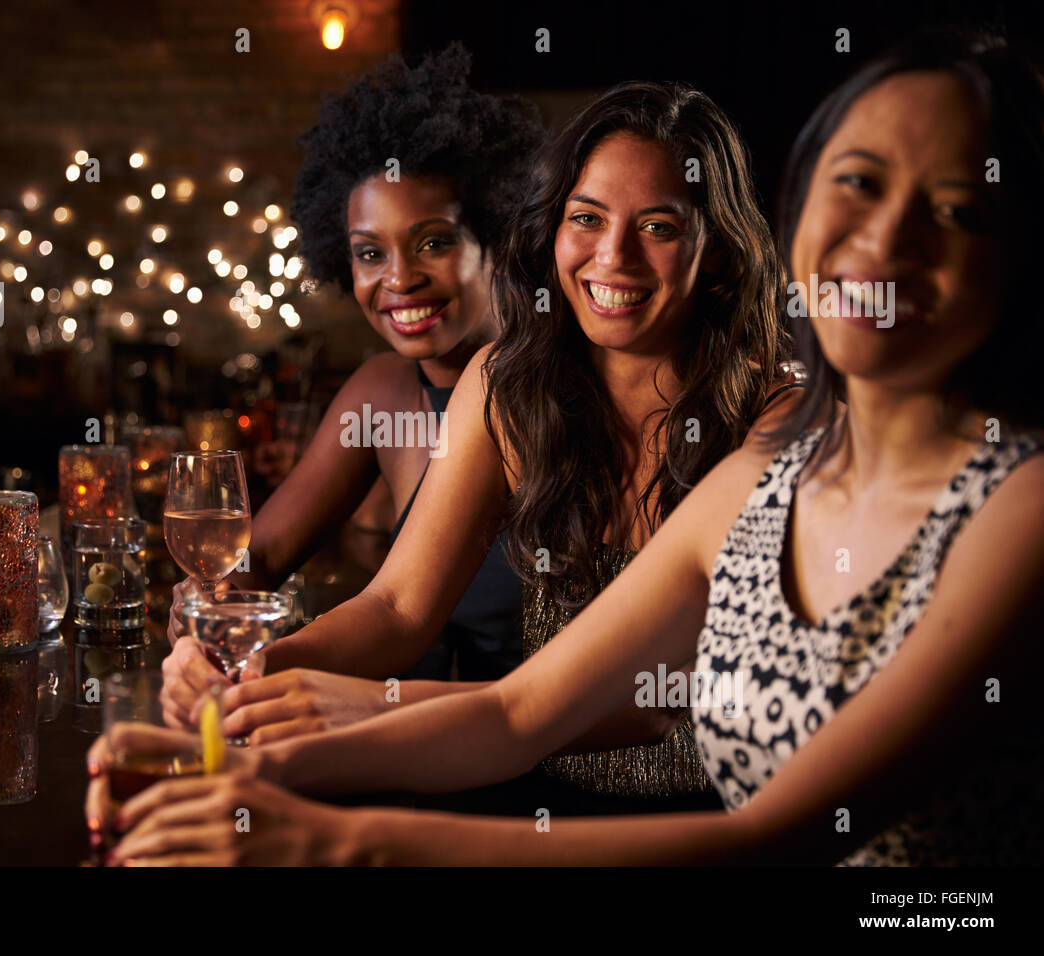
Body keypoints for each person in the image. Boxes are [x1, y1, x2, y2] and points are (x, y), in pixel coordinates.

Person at [95, 29, 1044, 865]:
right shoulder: (777, 470)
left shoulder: (982, 488)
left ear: (723, 249)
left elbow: (764, 834)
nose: (882, 242)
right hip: (567, 805)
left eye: (959, 211)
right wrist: (224, 744)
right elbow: (509, 705)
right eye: (860, 183)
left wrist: (339, 838)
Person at [162, 80, 801, 815]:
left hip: (722, 822)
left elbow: (675, 701)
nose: (612, 256)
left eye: (658, 226)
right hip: (535, 798)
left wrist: (378, 706)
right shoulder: (509, 387)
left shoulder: (777, 417)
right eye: (585, 218)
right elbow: (399, 609)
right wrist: (253, 668)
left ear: (716, 247)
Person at [170, 44, 545, 682]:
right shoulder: (383, 394)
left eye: (434, 242)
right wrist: (211, 598)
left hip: (548, 752)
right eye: (370, 253)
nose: (399, 280)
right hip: (414, 749)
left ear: (498, 235)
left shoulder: (557, 380)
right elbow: (261, 553)